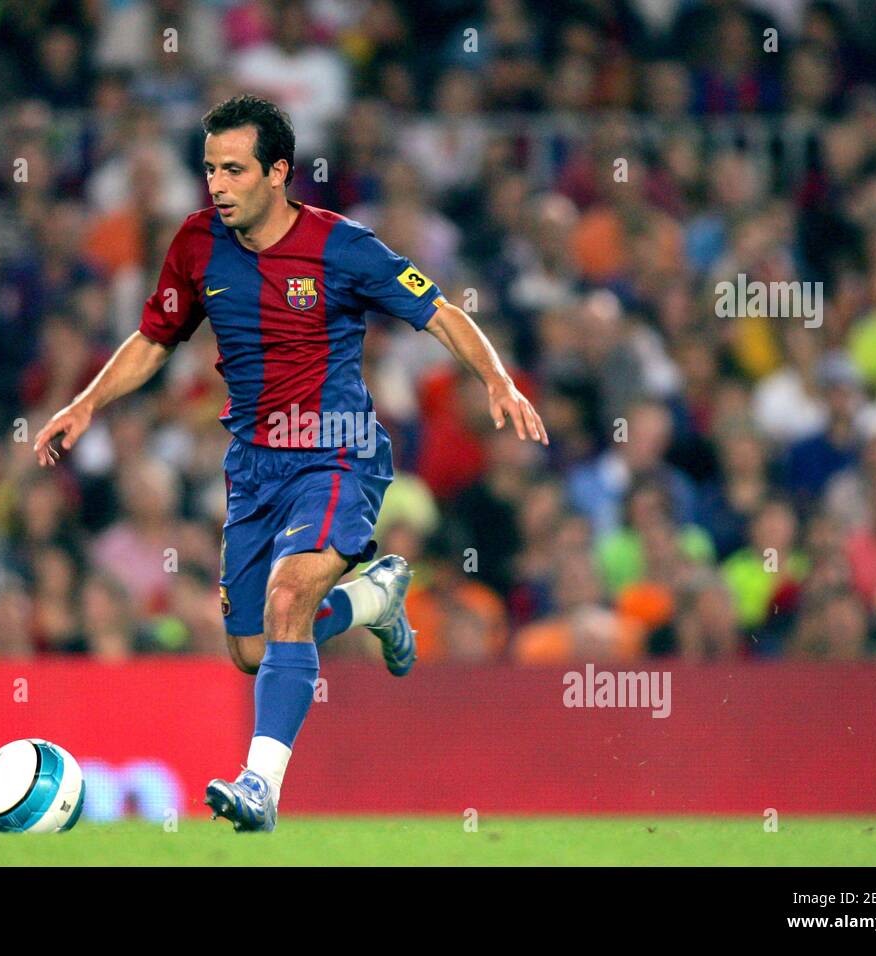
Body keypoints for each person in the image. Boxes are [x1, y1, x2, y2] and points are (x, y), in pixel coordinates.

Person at [34, 95, 546, 833]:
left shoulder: (343, 247)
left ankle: (259, 786)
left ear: (278, 172)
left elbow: (441, 312)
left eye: (233, 169)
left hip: (337, 451)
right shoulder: (196, 243)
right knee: (252, 647)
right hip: (254, 467)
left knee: (287, 597)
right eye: (209, 168)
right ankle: (371, 602)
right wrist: (85, 403)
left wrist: (496, 378)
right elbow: (154, 337)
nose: (216, 183)